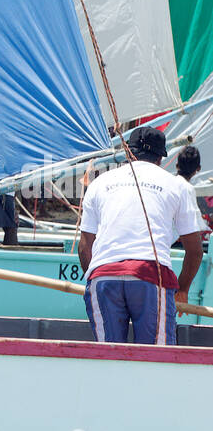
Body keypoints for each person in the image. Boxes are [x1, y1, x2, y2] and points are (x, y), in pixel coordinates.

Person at [78, 125, 205, 345]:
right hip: (151, 276)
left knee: (108, 357)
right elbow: (194, 252)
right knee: (155, 360)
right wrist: (182, 290)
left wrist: (94, 278)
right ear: (159, 158)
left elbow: (85, 246)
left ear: (128, 152)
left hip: (103, 276)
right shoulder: (177, 185)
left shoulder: (99, 183)